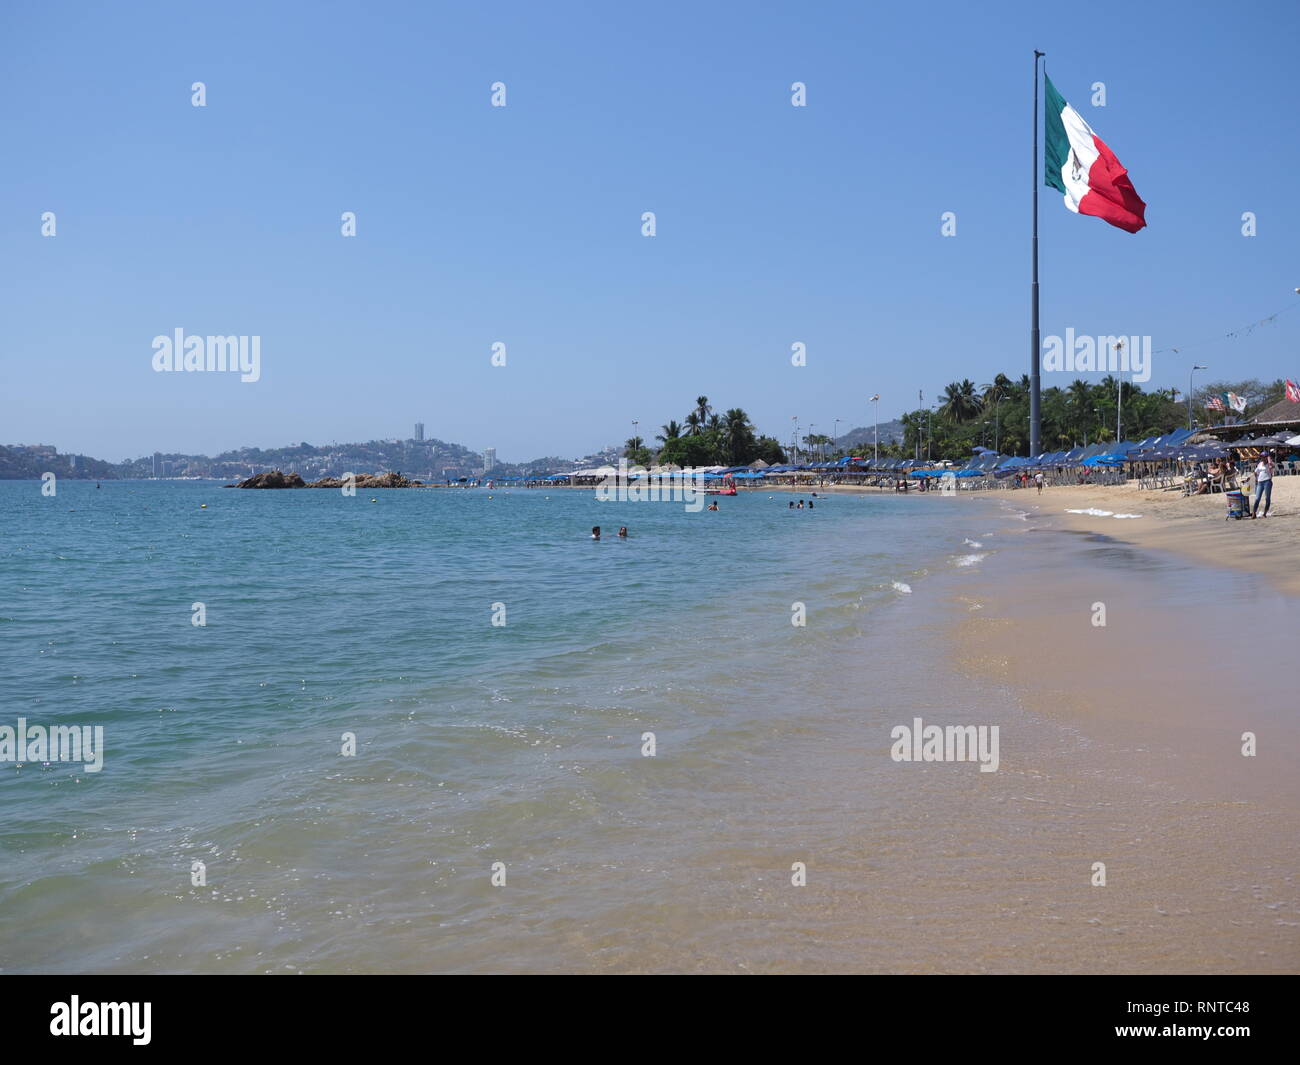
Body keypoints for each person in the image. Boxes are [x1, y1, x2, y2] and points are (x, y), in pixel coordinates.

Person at [1252, 452, 1274, 518]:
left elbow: (1272, 466)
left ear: (1267, 457)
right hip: (1260, 482)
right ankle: (1254, 513)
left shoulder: (1270, 464)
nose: (1262, 458)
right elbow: (1255, 472)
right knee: (1257, 498)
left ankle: (1265, 513)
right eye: (1261, 457)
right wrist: (1256, 478)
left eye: (1263, 457)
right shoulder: (1260, 464)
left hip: (1267, 481)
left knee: (1267, 498)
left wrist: (1269, 459)